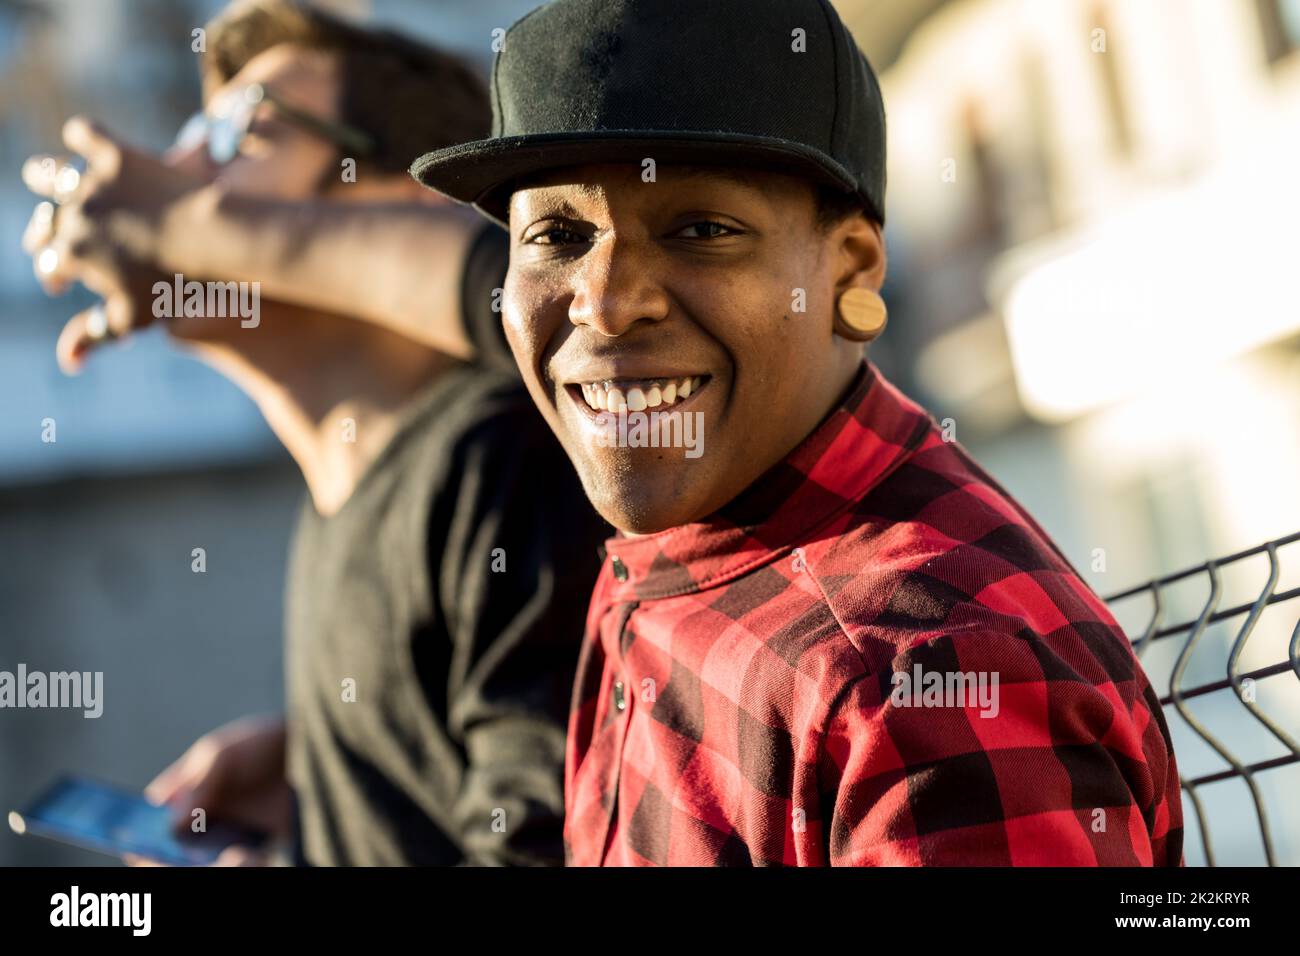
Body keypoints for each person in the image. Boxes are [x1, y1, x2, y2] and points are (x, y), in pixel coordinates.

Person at [405, 0, 1186, 866]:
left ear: (850, 267)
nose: (609, 302)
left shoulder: (925, 688)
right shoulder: (683, 538)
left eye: (702, 230)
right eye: (556, 235)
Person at [20, 0, 606, 866]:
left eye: (237, 136)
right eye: (190, 130)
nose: (175, 172)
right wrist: (332, 789)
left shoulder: (505, 461)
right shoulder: (359, 492)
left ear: (402, 203)